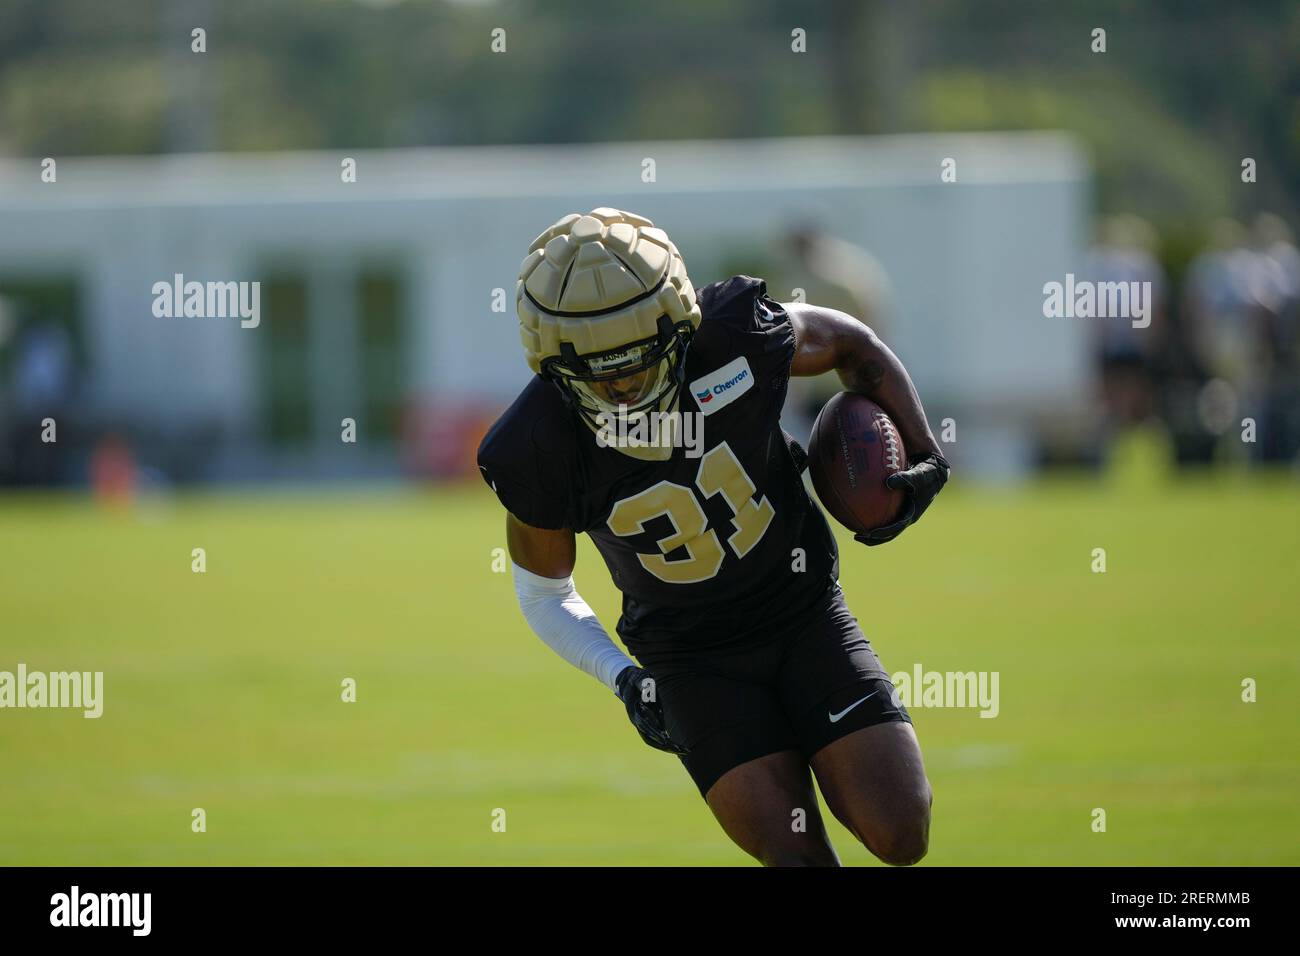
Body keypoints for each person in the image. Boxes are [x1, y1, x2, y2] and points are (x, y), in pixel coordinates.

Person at [477, 208, 949, 866]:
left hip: (803, 614)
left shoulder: (734, 336)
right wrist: (624, 679)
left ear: (678, 326)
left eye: (637, 363)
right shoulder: (536, 446)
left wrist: (924, 452)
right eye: (597, 372)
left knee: (901, 833)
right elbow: (543, 593)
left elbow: (851, 343)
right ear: (554, 364)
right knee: (799, 860)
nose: (621, 390)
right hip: (692, 662)